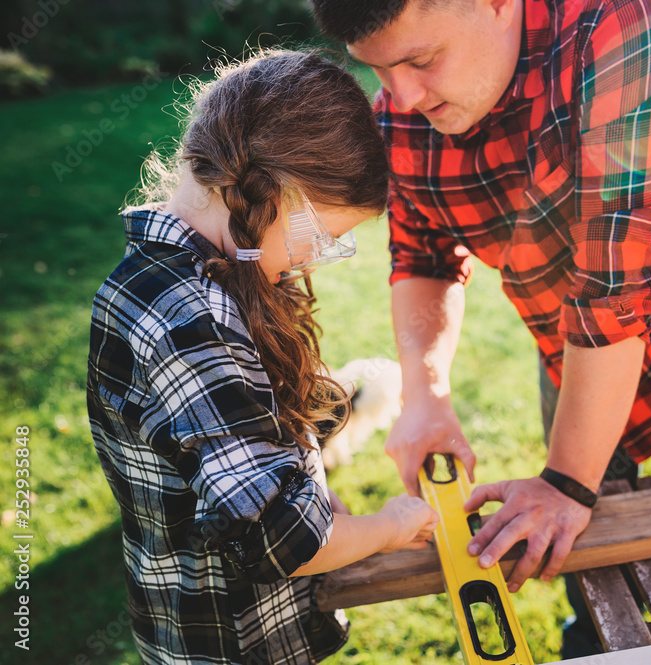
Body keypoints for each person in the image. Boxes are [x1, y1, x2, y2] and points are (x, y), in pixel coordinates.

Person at [311, 0, 651, 655]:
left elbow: (615, 289)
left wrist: (566, 479)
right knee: (595, 573)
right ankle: (599, 639)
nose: (403, 97)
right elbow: (423, 256)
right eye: (380, 71)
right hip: (572, 337)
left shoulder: (631, 20)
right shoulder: (405, 108)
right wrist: (426, 396)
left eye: (421, 60)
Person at [86, 50, 440, 665]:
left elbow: (236, 448)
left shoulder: (159, 277)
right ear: (270, 192)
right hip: (232, 643)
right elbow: (287, 541)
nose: (312, 259)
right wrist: (391, 524)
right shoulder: (193, 322)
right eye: (321, 237)